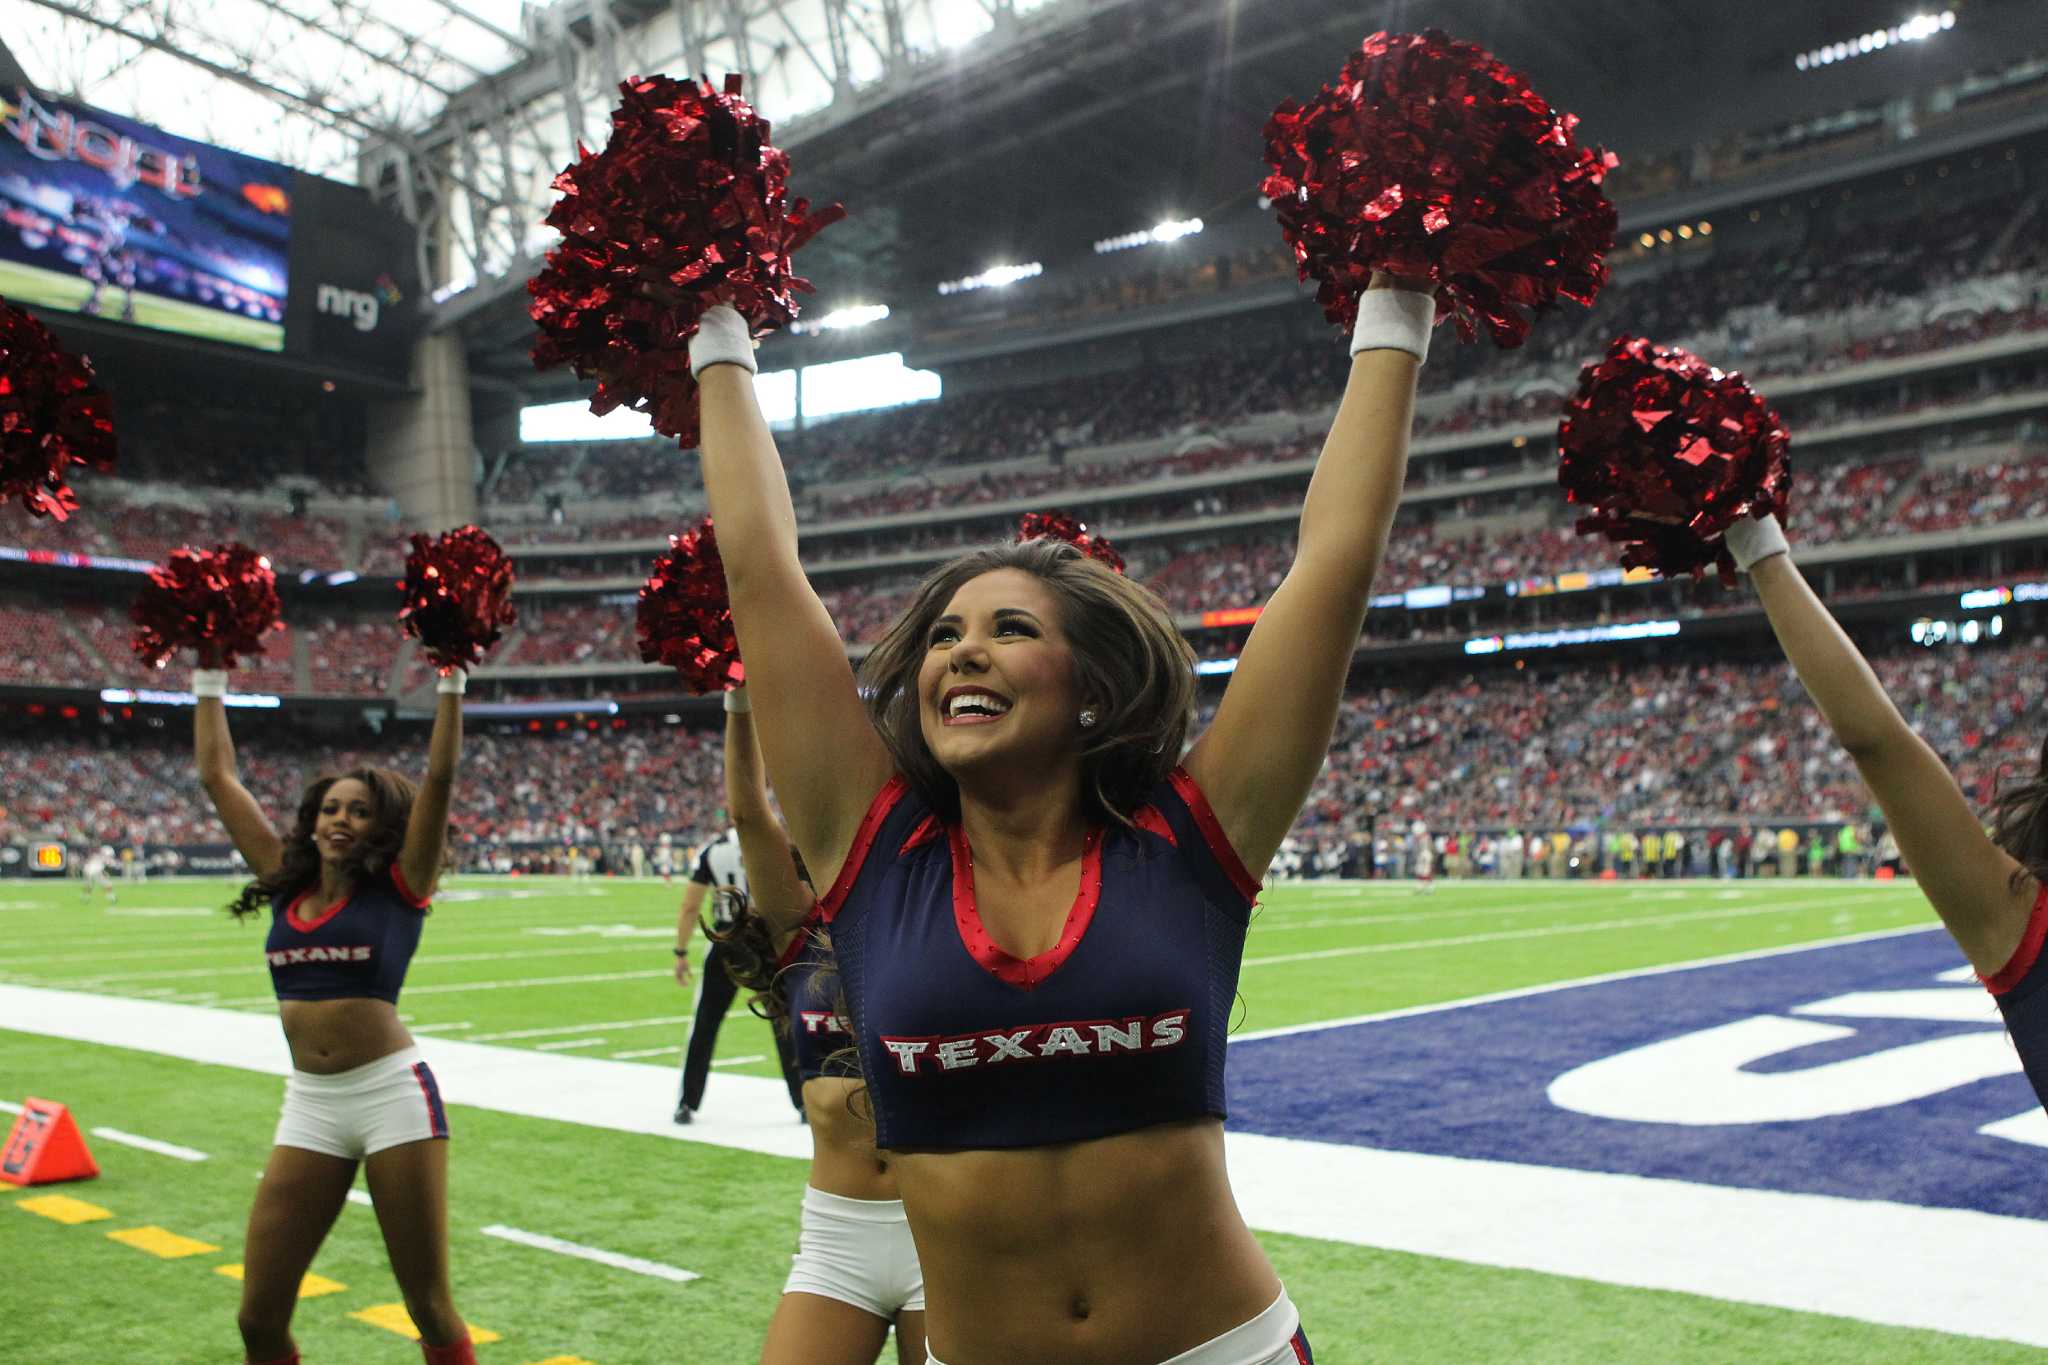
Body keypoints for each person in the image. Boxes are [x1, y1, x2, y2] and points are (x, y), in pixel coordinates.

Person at [689, 271, 1433, 1363]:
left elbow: (1332, 565)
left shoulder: (1188, 840)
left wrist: (1397, 301)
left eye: (1006, 628)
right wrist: (716, 322)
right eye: (942, 636)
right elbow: (759, 571)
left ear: (1085, 684)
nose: (961, 651)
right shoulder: (872, 852)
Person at [194, 660, 476, 1365]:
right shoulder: (283, 876)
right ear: (312, 820)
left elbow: (438, 781)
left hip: (391, 1096)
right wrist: (207, 670)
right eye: (330, 808)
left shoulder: (401, 885)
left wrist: (451, 678)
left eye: (358, 809)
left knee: (428, 1306)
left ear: (379, 824)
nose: (341, 819)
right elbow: (218, 779)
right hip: (311, 1104)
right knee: (257, 1317)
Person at [1725, 511, 2048, 1109]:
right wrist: (1759, 548)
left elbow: (1880, 746)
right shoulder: (2020, 922)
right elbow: (1878, 743)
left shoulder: (2015, 922)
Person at [712, 686, 927, 1364]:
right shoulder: (798, 933)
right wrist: (741, 697)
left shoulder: (937, 917)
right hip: (837, 1233)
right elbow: (749, 810)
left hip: (945, 1231)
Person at [673, 826, 803, 1124]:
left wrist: (680, 952)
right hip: (765, 940)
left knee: (706, 1022)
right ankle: (803, 1101)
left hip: (725, 941)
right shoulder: (776, 842)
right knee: (782, 1022)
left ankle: (687, 1102)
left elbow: (690, 906)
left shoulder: (714, 850)